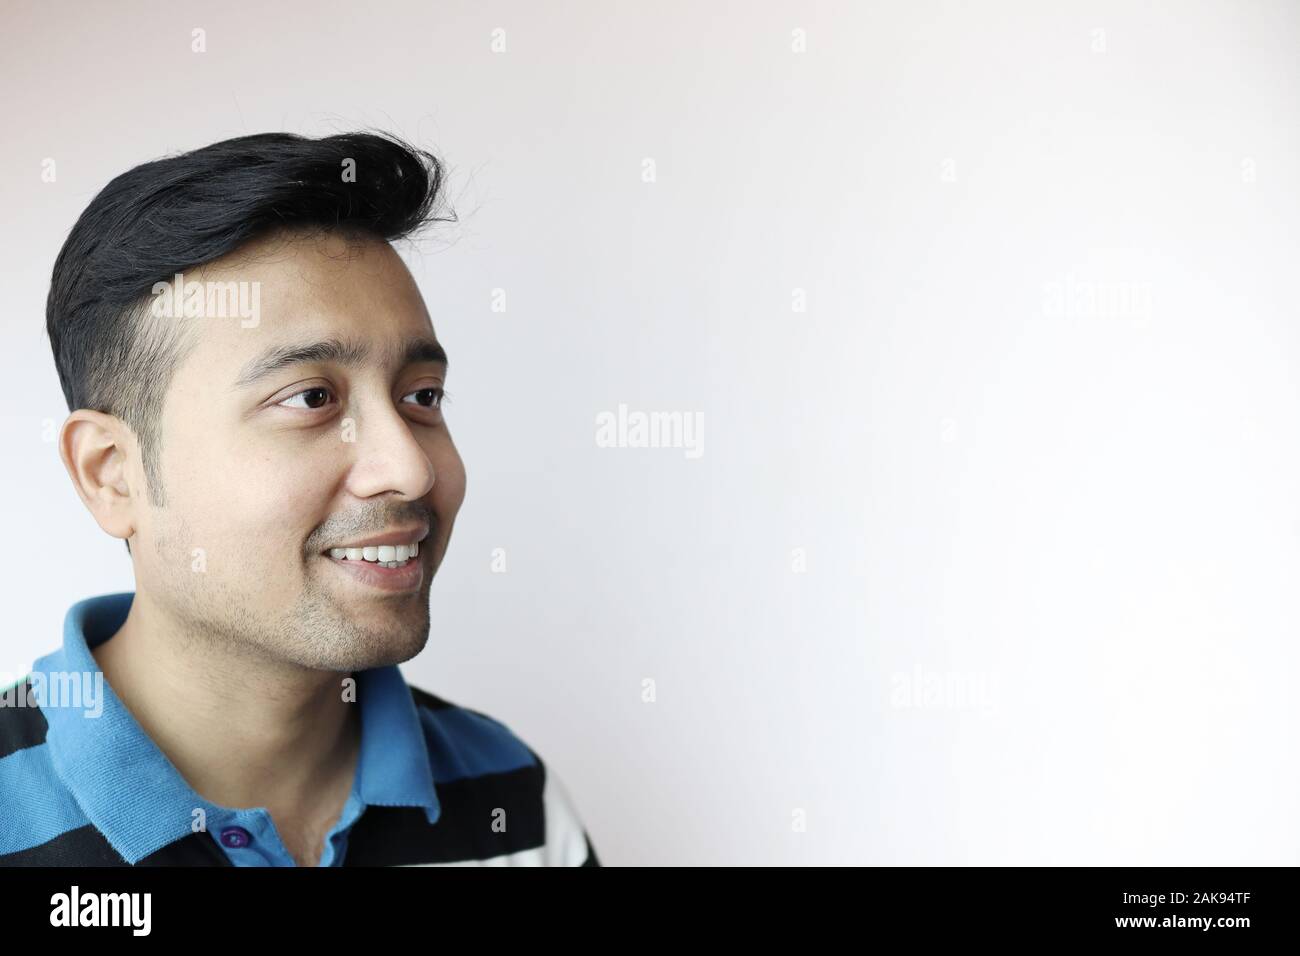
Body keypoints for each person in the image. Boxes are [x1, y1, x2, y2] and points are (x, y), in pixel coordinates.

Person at [0, 131, 599, 867]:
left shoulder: (512, 799)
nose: (409, 469)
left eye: (422, 396)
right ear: (111, 473)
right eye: (311, 397)